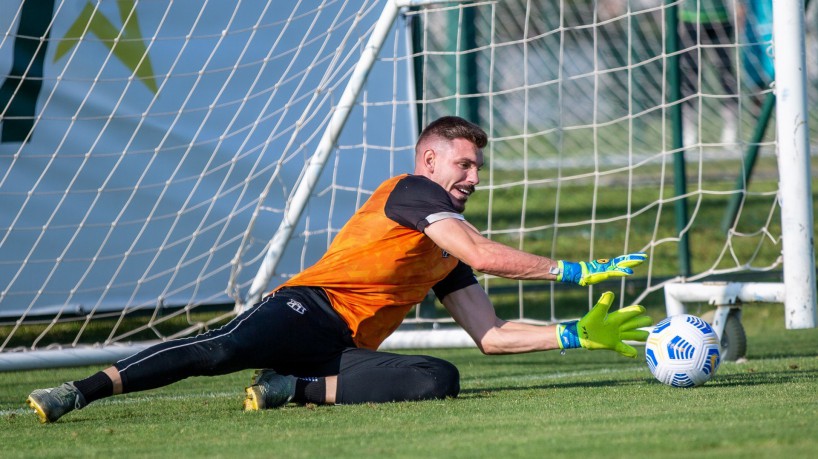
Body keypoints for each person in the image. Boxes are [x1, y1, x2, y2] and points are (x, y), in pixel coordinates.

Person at [26, 116, 652, 423]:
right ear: (429, 160)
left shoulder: (443, 249)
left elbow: (489, 336)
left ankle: (290, 389)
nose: (473, 177)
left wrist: (570, 335)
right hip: (306, 309)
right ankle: (77, 392)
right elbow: (485, 254)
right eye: (463, 164)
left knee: (439, 378)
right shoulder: (411, 191)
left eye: (477, 168)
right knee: (216, 351)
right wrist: (575, 271)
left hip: (340, 351)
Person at [678, 0, 739, 148]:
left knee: (726, 74)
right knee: (690, 76)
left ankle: (731, 127)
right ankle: (688, 130)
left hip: (720, 19)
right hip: (690, 19)